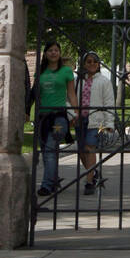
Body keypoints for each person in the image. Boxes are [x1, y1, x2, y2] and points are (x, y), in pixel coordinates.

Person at [35, 41, 78, 197]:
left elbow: (71, 94)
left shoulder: (66, 72)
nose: (54, 53)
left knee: (50, 149)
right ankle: (52, 183)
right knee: (47, 152)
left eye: (56, 50)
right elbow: (36, 94)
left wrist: (76, 112)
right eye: (50, 50)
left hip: (59, 118)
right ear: (45, 53)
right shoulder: (40, 72)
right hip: (43, 118)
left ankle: (46, 186)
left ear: (59, 54)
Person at [76, 50, 116, 195]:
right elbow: (71, 98)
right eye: (89, 61)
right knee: (81, 150)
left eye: (94, 61)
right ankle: (92, 172)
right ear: (84, 64)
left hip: (96, 120)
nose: (92, 64)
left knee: (89, 148)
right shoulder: (78, 80)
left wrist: (109, 123)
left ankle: (89, 182)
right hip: (80, 120)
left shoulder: (104, 81)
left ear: (99, 64)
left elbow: (109, 102)